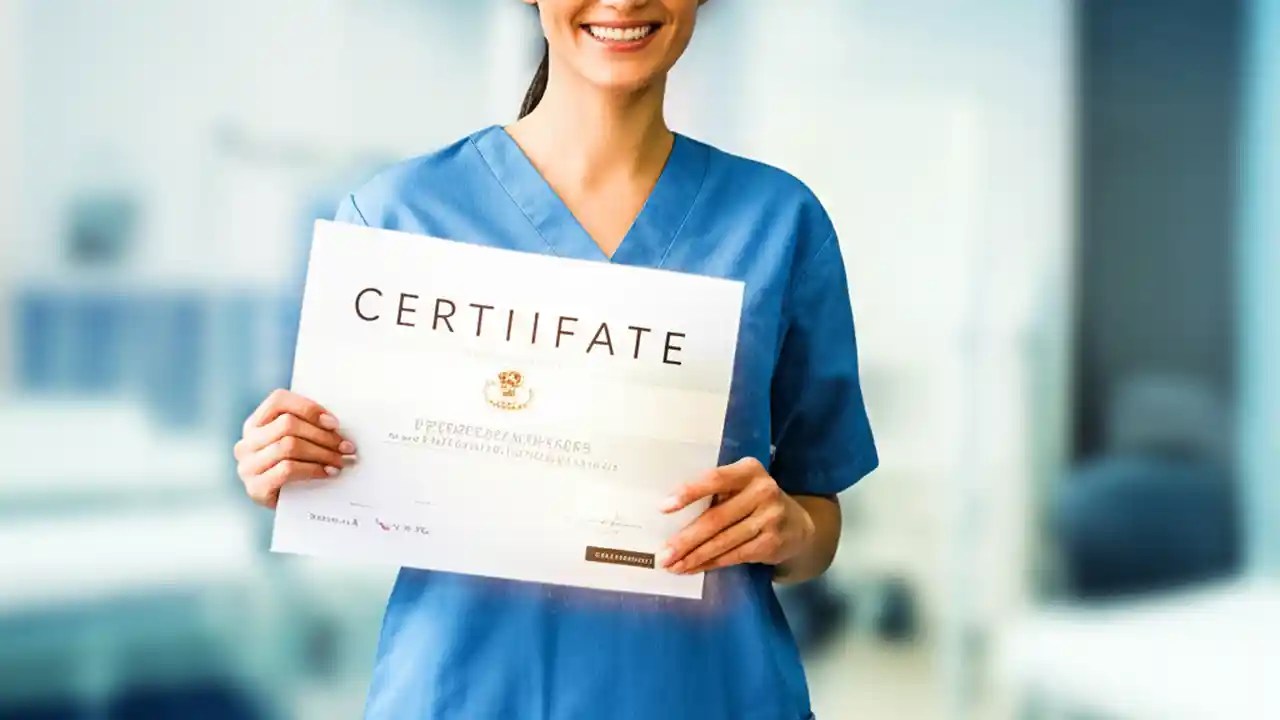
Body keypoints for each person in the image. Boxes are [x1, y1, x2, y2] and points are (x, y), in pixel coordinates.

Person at [232, 1, 878, 718]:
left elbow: (819, 518)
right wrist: (285, 464)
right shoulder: (397, 219)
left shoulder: (779, 222)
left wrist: (790, 529)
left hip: (707, 691)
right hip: (468, 695)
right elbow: (336, 475)